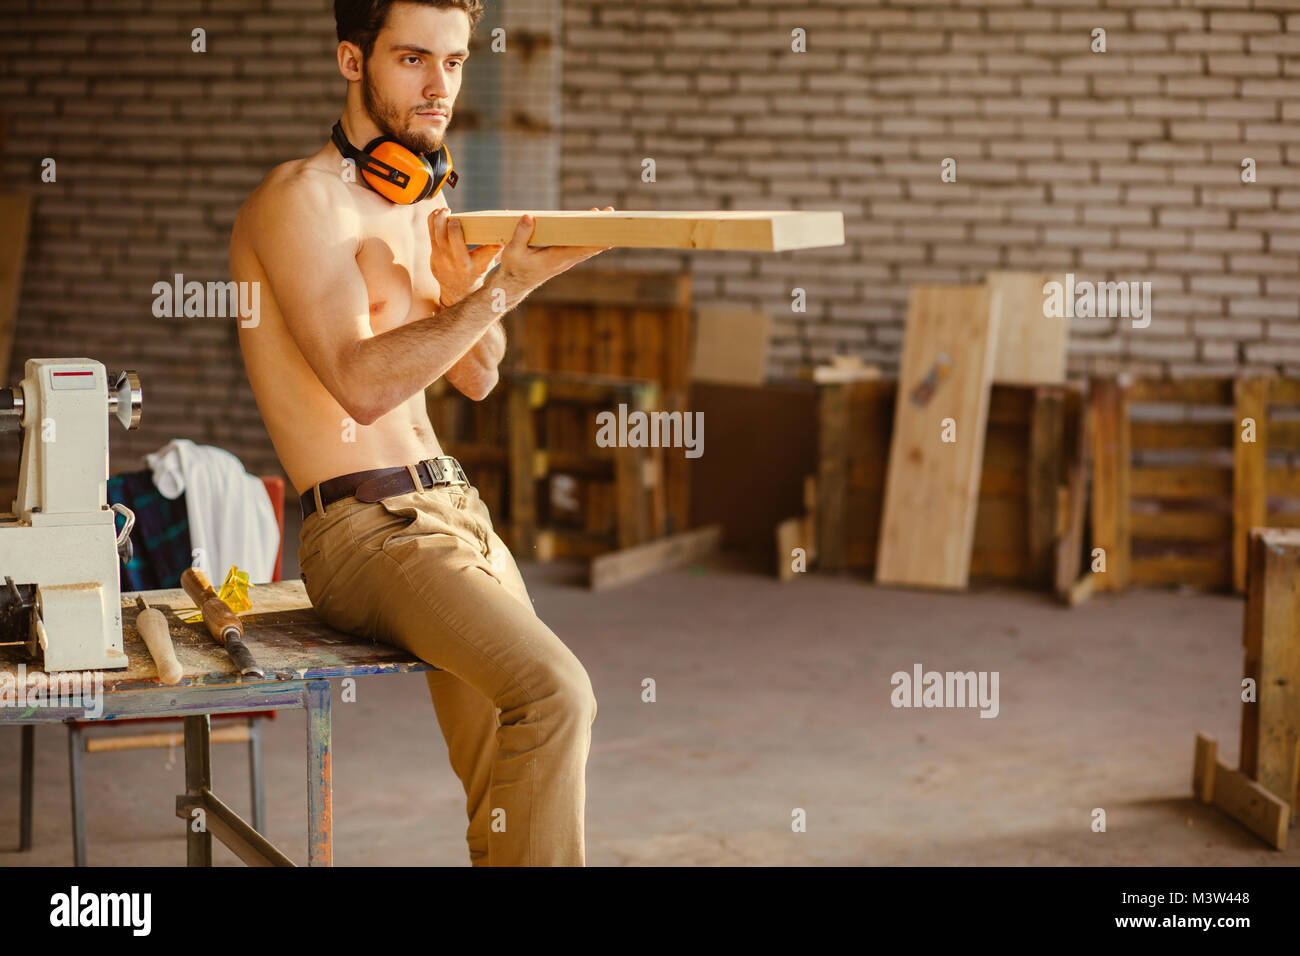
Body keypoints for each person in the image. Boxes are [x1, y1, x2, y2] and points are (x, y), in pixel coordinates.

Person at [229, 0, 612, 866]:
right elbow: (361, 386)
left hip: (456, 513)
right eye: (412, 60)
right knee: (557, 695)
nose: (440, 86)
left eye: (454, 61)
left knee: (511, 775)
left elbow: (479, 376)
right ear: (352, 61)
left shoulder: (421, 197)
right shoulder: (297, 204)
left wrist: (465, 290)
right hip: (366, 530)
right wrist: (496, 291)